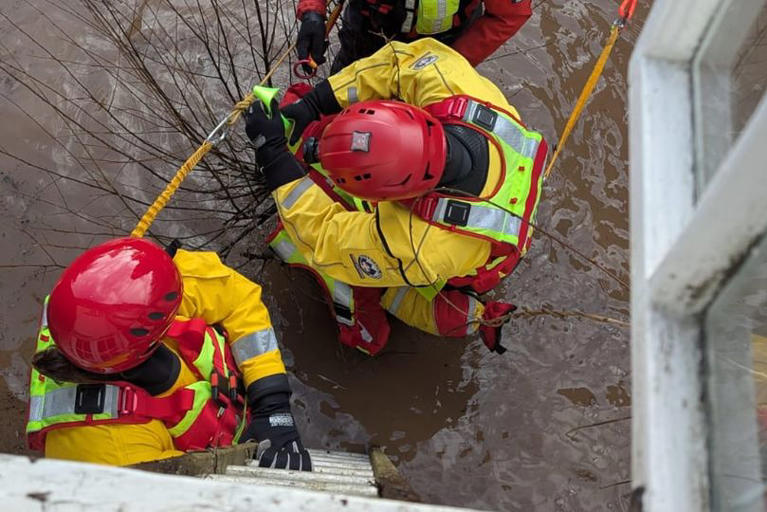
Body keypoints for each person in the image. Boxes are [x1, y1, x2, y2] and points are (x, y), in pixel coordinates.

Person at [245, 38, 548, 356]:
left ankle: (472, 316)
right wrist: (315, 104)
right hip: (510, 190)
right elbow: (396, 64)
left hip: (475, 259)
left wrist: (275, 157)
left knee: (382, 291)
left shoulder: (420, 245)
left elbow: (327, 240)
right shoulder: (455, 88)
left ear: (391, 199)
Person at [25, 237, 312, 470]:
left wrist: (272, 402)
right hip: (209, 435)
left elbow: (238, 297)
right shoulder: (108, 454)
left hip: (241, 404)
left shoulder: (140, 282)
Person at [296, 0, 531, 73]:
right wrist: (312, 13)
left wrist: (454, 60)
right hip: (365, 32)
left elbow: (507, 15)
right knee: (331, 107)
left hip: (442, 47)